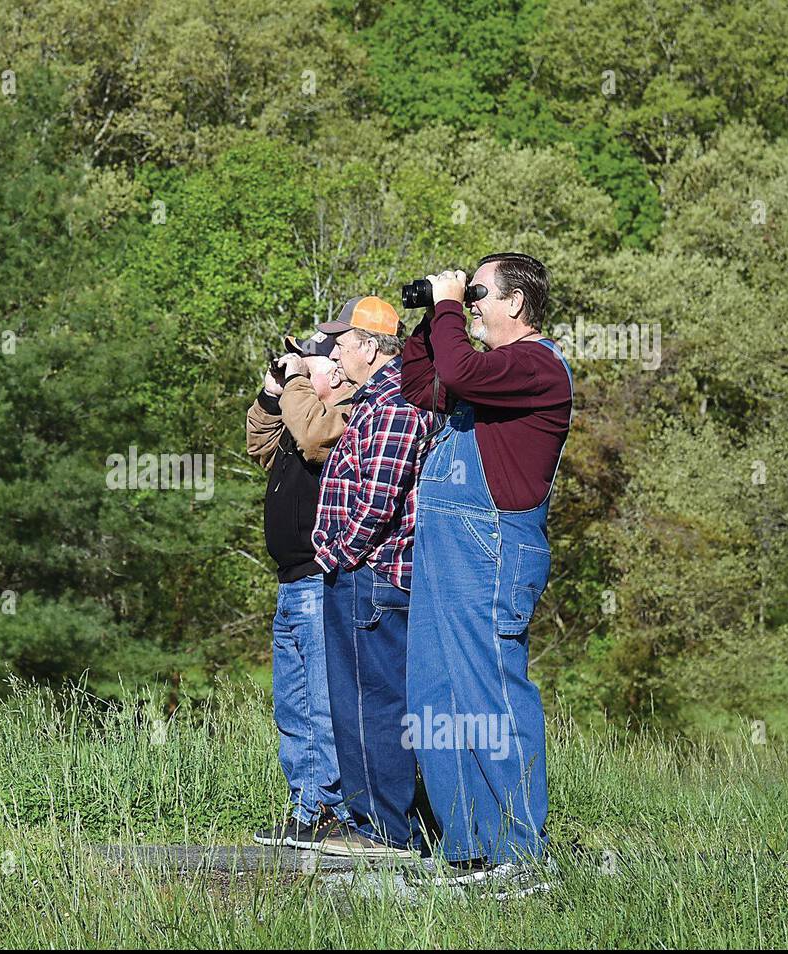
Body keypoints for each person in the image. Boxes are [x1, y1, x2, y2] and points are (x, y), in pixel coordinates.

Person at [399, 253, 573, 890]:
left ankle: (524, 856)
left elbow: (458, 367)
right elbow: (424, 385)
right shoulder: (487, 374)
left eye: (477, 293)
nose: (469, 304)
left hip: (495, 548)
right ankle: (471, 849)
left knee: (491, 696)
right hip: (448, 554)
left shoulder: (537, 365)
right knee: (435, 700)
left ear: (517, 304)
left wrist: (447, 308)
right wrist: (430, 317)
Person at [309, 296, 433, 858]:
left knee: (373, 704)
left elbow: (378, 498)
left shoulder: (395, 403)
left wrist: (340, 554)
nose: (334, 352)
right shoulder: (377, 401)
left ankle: (384, 829)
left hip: (371, 575)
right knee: (360, 700)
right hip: (365, 573)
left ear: (367, 346)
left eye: (342, 342)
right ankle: (374, 823)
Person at [245, 330, 357, 847]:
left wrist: (295, 384)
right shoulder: (300, 417)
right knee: (292, 704)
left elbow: (313, 440)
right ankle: (307, 808)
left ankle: (333, 811)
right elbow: (257, 444)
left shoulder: (344, 416)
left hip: (320, 579)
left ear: (332, 372)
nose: (297, 368)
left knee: (321, 702)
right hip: (290, 584)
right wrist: (272, 390)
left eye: (307, 361)